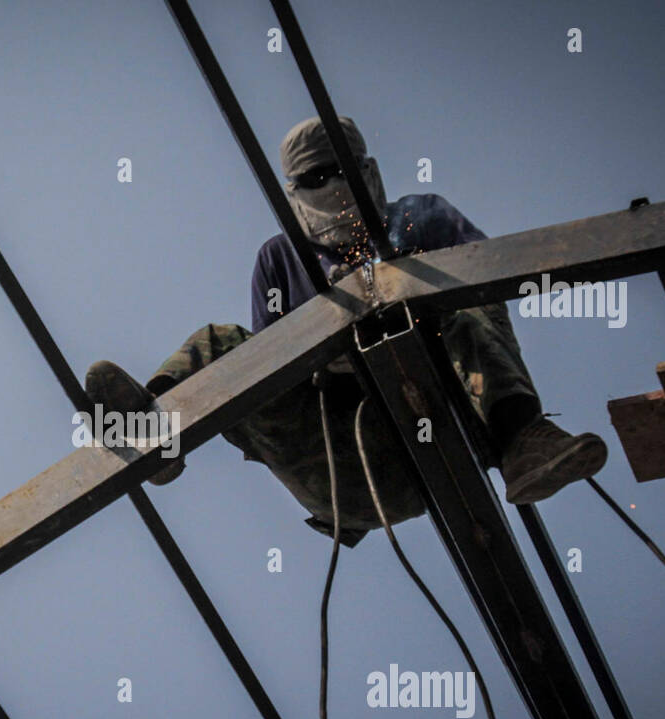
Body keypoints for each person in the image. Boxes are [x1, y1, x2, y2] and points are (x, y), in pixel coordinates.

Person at [85, 115, 607, 547]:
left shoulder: (421, 218)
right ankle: (152, 430)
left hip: (440, 434)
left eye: (340, 172)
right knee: (219, 343)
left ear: (367, 171)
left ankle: (522, 437)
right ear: (294, 191)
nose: (331, 187)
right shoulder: (281, 258)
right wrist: (325, 355)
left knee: (460, 299)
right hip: (340, 463)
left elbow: (491, 294)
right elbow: (270, 372)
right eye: (314, 179)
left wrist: (404, 305)